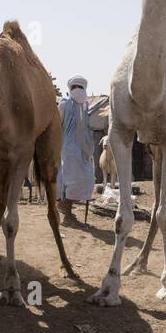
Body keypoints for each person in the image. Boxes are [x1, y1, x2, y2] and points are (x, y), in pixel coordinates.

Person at [58, 75, 95, 223]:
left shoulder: (85, 106)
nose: (78, 90)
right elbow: (57, 125)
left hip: (84, 149)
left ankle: (65, 208)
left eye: (80, 87)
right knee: (70, 180)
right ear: (69, 89)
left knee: (87, 179)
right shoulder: (63, 105)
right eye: (74, 87)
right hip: (68, 149)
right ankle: (66, 213)